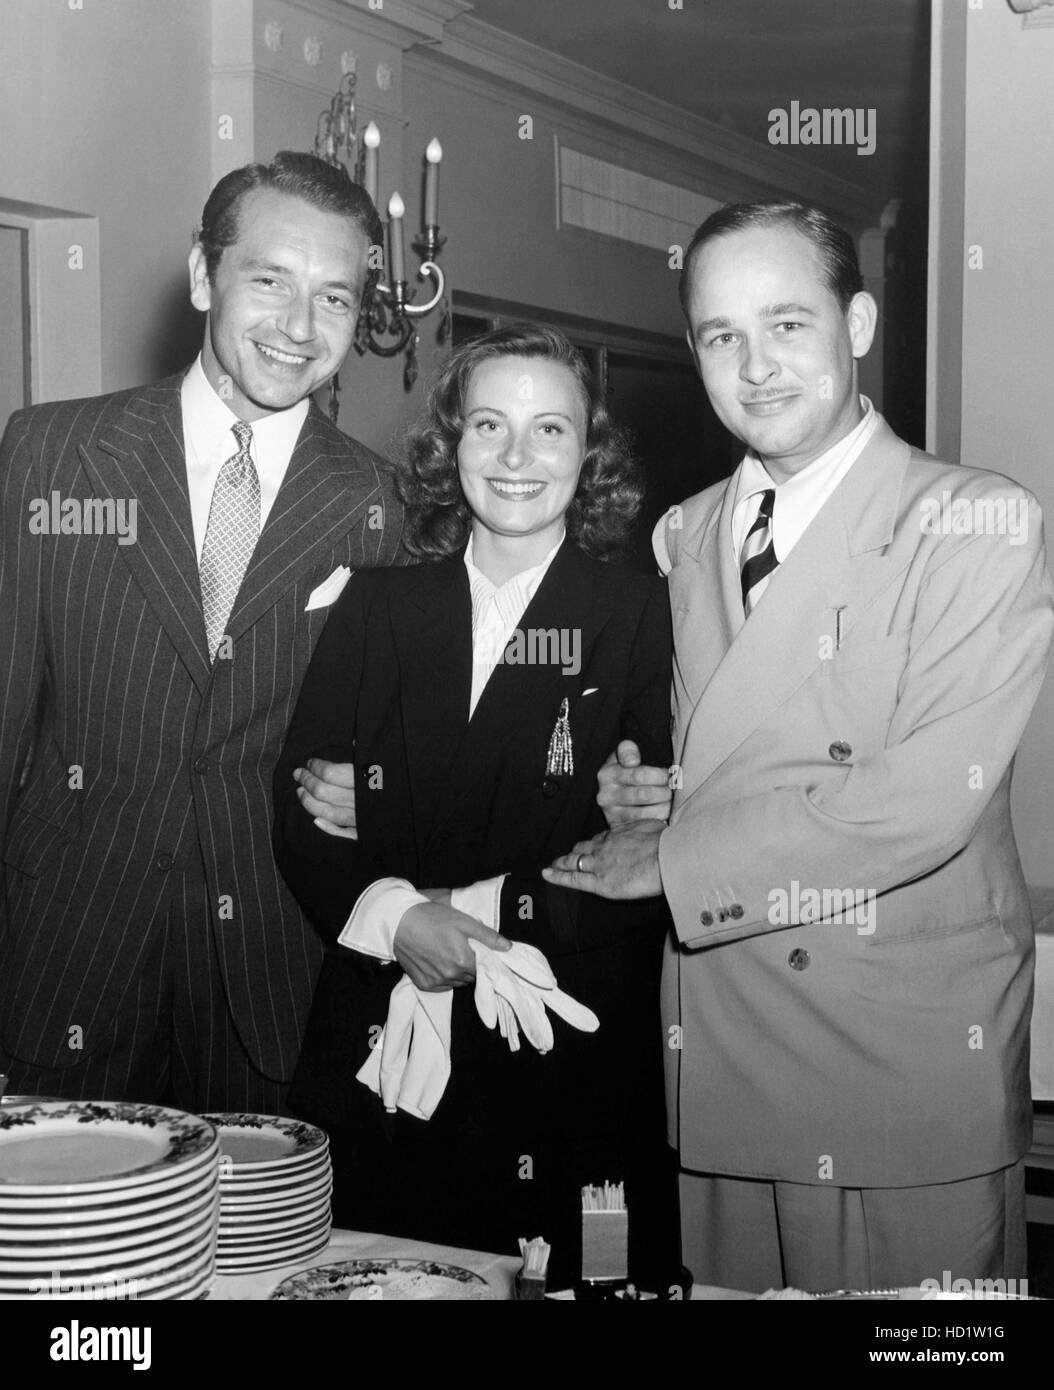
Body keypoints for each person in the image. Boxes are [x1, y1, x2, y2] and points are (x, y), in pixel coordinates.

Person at [545, 200, 1054, 1293]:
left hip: (892, 1068)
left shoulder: (975, 523)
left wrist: (673, 861)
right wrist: (653, 794)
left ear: (857, 323)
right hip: (722, 1044)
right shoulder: (684, 533)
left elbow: (919, 803)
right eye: (721, 335)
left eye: (786, 323)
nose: (755, 365)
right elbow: (735, 757)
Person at [273, 324, 681, 1291]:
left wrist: (473, 916)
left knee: (578, 1280)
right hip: (379, 1028)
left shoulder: (643, 617)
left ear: (591, 455)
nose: (515, 457)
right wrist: (400, 917)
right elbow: (299, 810)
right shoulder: (376, 606)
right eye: (489, 424)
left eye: (549, 430)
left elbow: (642, 855)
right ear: (450, 445)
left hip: (563, 1046)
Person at [0, 152, 403, 1111]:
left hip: (270, 971)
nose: (300, 329)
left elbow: (390, 730)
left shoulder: (374, 499)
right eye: (269, 281)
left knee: (256, 1250)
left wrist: (379, 785)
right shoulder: (51, 454)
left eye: (335, 299)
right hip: (62, 946)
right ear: (200, 276)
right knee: (63, 1249)